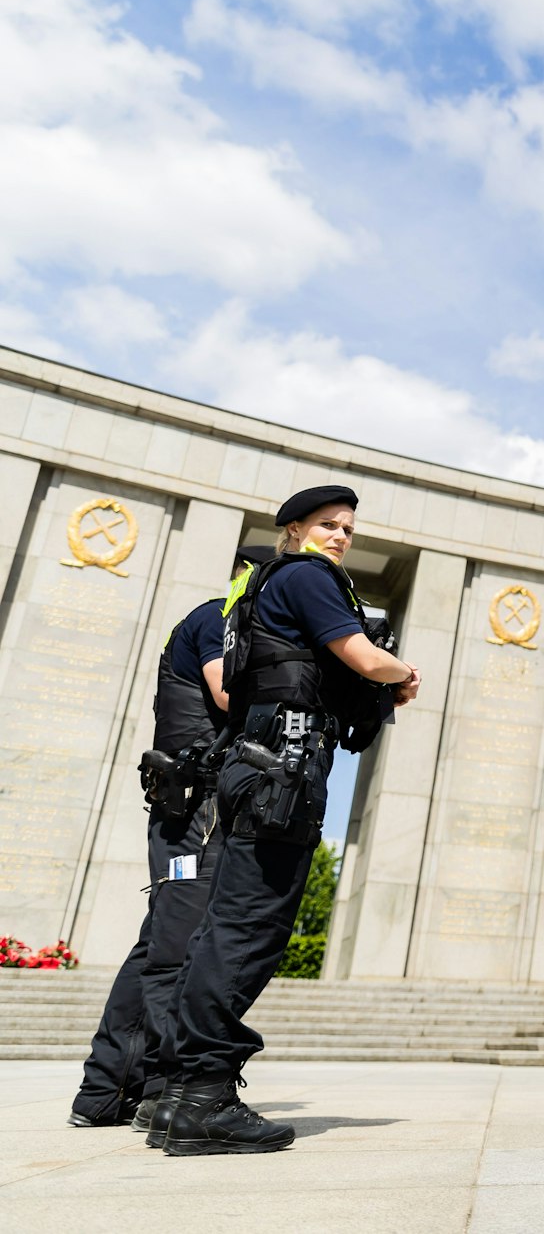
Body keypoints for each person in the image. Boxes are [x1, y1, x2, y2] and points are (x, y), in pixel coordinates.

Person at [150, 486, 417, 1156]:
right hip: (284, 769)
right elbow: (361, 655)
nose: (341, 536)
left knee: (230, 925)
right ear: (294, 529)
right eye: (328, 524)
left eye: (349, 528)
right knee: (251, 929)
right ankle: (204, 1096)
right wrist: (402, 671)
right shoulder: (307, 574)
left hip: (261, 761)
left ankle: (182, 1098)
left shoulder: (260, 590)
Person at [69, 545, 273, 1130]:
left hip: (191, 808)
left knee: (159, 943)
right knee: (178, 948)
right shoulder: (218, 619)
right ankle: (168, 1089)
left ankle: (105, 1093)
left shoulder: (224, 621)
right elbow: (227, 695)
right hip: (196, 807)